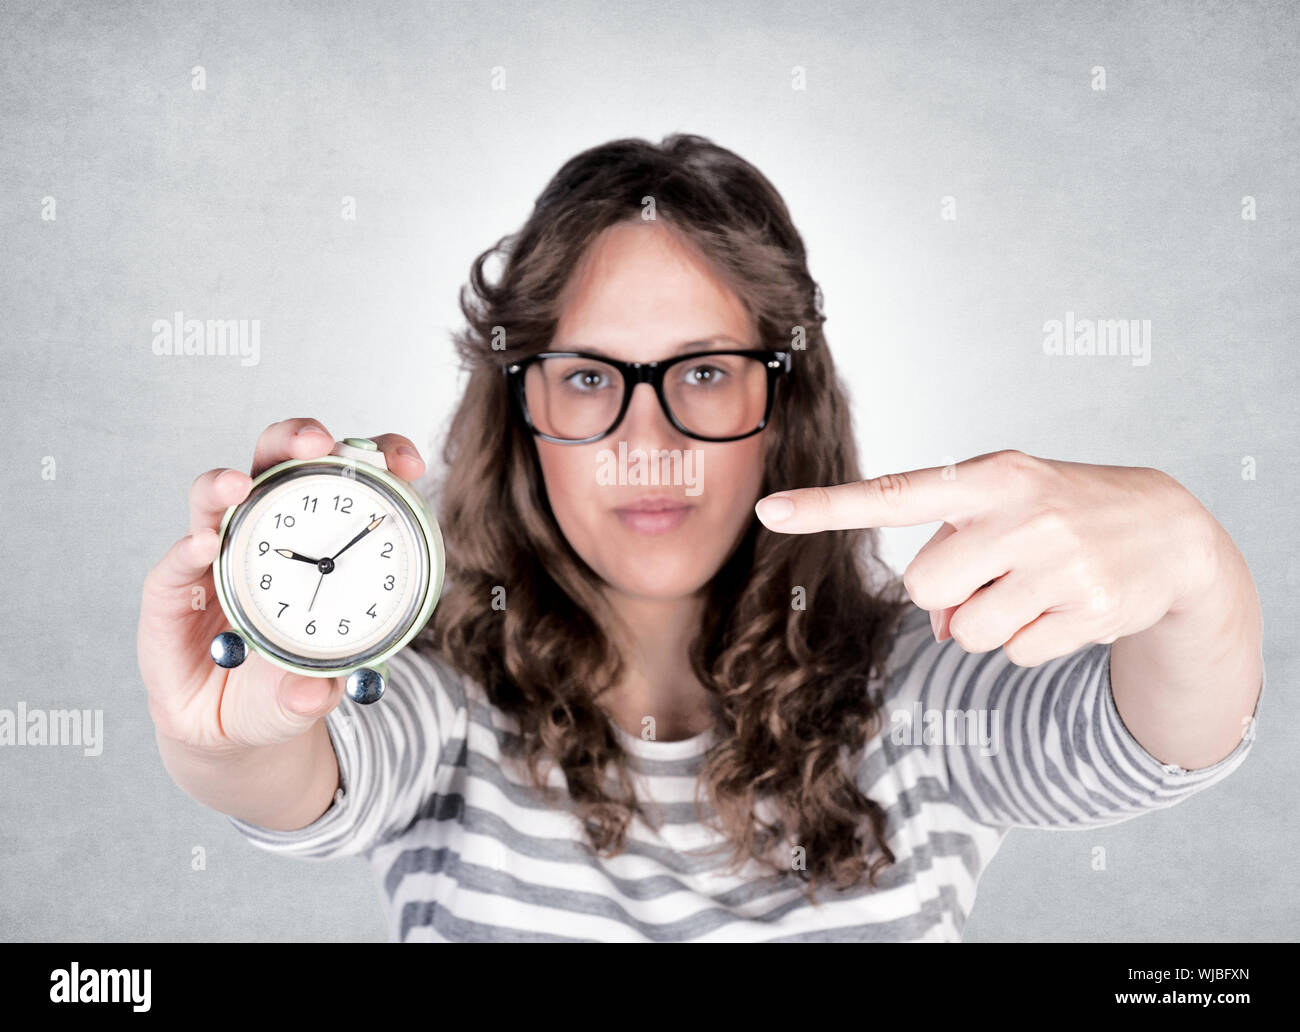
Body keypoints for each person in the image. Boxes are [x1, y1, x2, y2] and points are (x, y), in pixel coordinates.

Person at [137, 134, 1265, 942]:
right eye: (587, 378)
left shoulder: (921, 694)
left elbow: (1163, 736)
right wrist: (227, 739)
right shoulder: (436, 692)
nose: (644, 438)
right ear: (519, 414)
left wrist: (1195, 570)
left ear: (785, 408)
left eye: (705, 373)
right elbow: (301, 773)